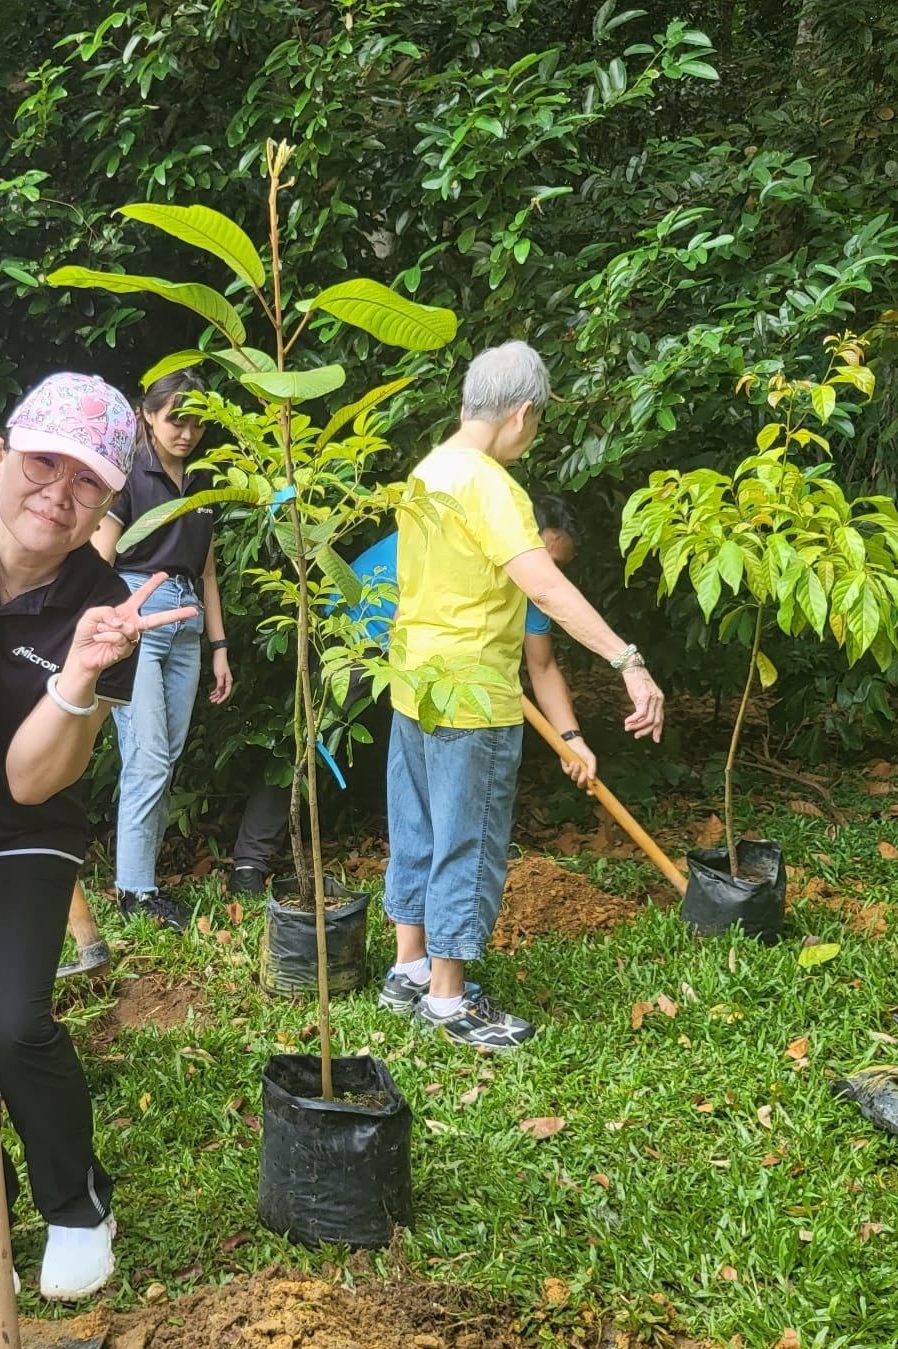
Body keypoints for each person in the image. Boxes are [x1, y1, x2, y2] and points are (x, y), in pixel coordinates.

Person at [0, 374, 195, 1307]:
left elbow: (34, 780)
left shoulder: (103, 609)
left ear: (108, 504)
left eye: (88, 482)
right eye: (42, 464)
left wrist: (76, 675)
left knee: (13, 1020)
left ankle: (76, 1200)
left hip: (25, 831)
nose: (59, 494)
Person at [381, 341, 666, 1052]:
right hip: (473, 694)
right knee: (468, 840)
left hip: (412, 681)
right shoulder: (492, 486)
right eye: (536, 424)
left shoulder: (425, 472)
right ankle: (448, 999)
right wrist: (626, 660)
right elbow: (544, 585)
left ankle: (408, 969)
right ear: (523, 412)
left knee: (417, 828)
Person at [227, 493, 591, 891]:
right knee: (308, 744)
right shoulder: (457, 543)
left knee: (451, 740)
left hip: (428, 652)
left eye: (558, 567)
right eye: (545, 559)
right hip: (356, 632)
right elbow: (408, 621)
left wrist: (570, 740)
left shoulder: (532, 583)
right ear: (519, 537)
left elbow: (543, 666)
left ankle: (449, 856)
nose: (549, 574)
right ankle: (249, 863)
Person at [94, 369, 232, 932]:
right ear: (148, 415)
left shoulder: (203, 479)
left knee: (163, 758)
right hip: (137, 610)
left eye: (197, 422)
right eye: (176, 418)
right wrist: (112, 625)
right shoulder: (129, 473)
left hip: (187, 620)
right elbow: (99, 558)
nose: (187, 432)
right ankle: (135, 891)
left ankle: (139, 881)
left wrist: (220, 646)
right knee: (147, 756)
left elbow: (207, 570)